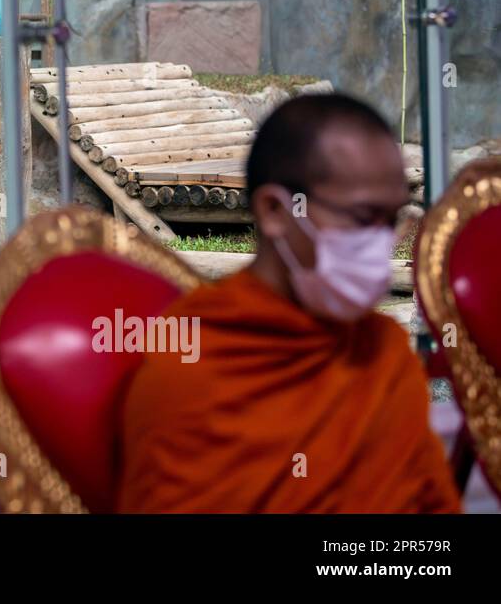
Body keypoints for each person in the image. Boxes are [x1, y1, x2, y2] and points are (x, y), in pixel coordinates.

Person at [117, 93, 459, 513]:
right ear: (276, 210)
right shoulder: (191, 369)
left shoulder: (382, 352)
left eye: (390, 221)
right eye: (361, 217)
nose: (382, 243)